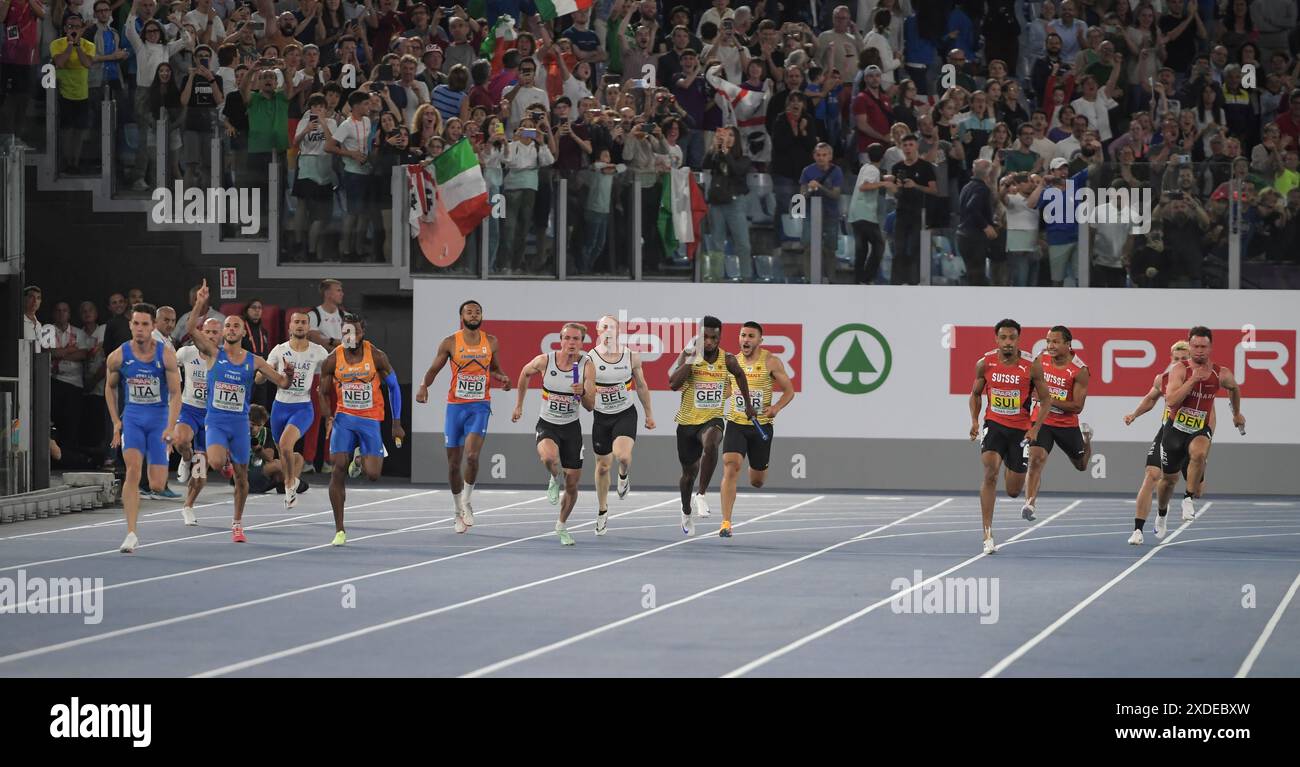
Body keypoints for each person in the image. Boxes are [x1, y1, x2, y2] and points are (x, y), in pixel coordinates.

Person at [185, 279, 291, 543]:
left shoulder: (254, 360)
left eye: (235, 326)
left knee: (242, 478)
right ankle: (224, 460)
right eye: (227, 325)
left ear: (243, 333)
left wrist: (288, 374)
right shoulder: (212, 353)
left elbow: (281, 382)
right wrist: (200, 303)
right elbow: (189, 328)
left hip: (239, 423)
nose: (230, 329)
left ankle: (237, 523)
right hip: (217, 421)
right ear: (222, 332)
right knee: (217, 462)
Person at [415, 300, 511, 533]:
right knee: (453, 464)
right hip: (455, 407)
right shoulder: (450, 342)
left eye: (478, 311)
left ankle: (467, 501)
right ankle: (457, 509)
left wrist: (503, 378)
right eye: (469, 312)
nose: (474, 314)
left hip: (479, 406)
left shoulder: (491, 341)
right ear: (462, 317)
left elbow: (495, 368)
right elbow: (433, 370)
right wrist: (423, 386)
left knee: (472, 456)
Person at [318, 313, 404, 546]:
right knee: (337, 467)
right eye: (345, 332)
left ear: (362, 334)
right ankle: (339, 530)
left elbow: (394, 388)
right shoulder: (332, 359)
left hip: (370, 419)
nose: (349, 336)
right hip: (344, 418)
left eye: (354, 331)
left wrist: (396, 423)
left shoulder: (376, 356)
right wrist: (328, 417)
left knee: (373, 474)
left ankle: (359, 460)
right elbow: (321, 390)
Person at [968, 318, 1053, 554]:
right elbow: (975, 394)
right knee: (990, 472)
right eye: (1003, 337)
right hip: (994, 424)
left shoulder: (1032, 365)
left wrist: (1035, 428)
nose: (1007, 342)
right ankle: (987, 533)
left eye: (1012, 338)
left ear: (1018, 339)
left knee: (1014, 489)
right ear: (996, 339)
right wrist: (975, 421)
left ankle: (1010, 462)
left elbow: (1046, 399)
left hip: (1020, 430)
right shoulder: (985, 363)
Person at [668, 316, 758, 535]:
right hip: (687, 422)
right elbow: (673, 384)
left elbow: (740, 376)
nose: (709, 342)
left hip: (713, 418)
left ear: (720, 337)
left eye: (713, 337)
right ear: (700, 336)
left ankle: (701, 494)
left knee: (711, 443)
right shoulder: (689, 354)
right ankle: (686, 509)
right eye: (705, 337)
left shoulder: (727, 359)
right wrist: (690, 360)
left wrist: (748, 404)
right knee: (688, 474)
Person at [105, 303, 182, 553]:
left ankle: (163, 470)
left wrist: (171, 427)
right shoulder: (118, 356)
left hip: (158, 419)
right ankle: (131, 533)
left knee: (158, 484)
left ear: (153, 327)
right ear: (130, 325)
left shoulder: (165, 354)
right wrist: (117, 421)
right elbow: (110, 387)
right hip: (134, 419)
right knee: (132, 471)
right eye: (136, 324)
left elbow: (175, 393)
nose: (139, 329)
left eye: (145, 324)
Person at [512, 323, 592, 546]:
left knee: (573, 485)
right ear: (561, 340)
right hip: (547, 424)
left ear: (582, 343)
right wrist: (519, 405)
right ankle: (554, 477)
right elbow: (524, 373)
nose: (572, 343)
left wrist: (582, 392)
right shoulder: (545, 361)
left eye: (577, 339)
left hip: (571, 429)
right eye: (568, 338)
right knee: (549, 458)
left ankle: (562, 525)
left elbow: (590, 406)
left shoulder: (587, 366)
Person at [1157, 326, 1245, 528]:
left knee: (1199, 454)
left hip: (1199, 428)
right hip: (1175, 428)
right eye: (1195, 346)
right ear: (1190, 346)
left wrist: (1236, 413)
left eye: (1203, 346)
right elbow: (1171, 401)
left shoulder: (1220, 373)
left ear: (1210, 347)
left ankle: (1187, 499)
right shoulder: (1180, 370)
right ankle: (1162, 513)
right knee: (1168, 481)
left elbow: (1234, 388)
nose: (1199, 350)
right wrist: (1192, 381)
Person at [580, 315, 656, 536]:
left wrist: (649, 414)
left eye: (612, 327)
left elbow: (641, 386)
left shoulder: (631, 356)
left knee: (622, 456)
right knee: (603, 466)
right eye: (604, 326)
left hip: (625, 413)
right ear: (597, 330)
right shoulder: (589, 359)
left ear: (618, 330)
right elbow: (584, 392)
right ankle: (603, 510)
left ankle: (623, 475)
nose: (608, 330)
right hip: (601, 417)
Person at [718, 321, 793, 538]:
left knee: (757, 480)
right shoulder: (731, 362)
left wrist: (776, 408)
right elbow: (728, 389)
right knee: (731, 465)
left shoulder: (771, 362)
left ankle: (757, 469)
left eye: (751, 336)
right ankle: (726, 523)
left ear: (760, 340)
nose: (746, 340)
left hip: (761, 426)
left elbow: (789, 391)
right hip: (736, 423)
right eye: (743, 335)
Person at [1124, 340, 1200, 542]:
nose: (1181, 362)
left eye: (1185, 359)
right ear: (1171, 359)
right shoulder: (1163, 379)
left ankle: (1178, 501)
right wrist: (1134, 414)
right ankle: (1138, 530)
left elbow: (1211, 415)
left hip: (1192, 436)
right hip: (1168, 434)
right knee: (1152, 475)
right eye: (1177, 359)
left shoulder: (1201, 382)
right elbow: (1150, 399)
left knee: (1198, 490)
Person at [1022, 326, 1092, 520]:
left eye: (1055, 342)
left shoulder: (1080, 370)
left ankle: (1087, 438)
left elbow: (1077, 406)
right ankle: (1029, 504)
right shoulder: (1040, 360)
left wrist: (1049, 400)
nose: (1050, 346)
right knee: (1036, 460)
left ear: (1068, 344)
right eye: (1048, 341)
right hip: (1041, 421)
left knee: (1081, 464)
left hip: (1066, 425)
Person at [263, 311, 329, 508]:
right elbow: (262, 374)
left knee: (285, 445)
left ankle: (290, 485)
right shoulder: (279, 350)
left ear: (308, 327)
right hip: (279, 407)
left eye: (304, 322)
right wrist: (260, 373)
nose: (300, 325)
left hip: (302, 407)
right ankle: (294, 479)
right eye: (296, 322)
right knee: (283, 453)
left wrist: (325, 387)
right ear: (290, 327)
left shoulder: (318, 351)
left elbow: (332, 372)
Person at [173, 316, 222, 525]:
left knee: (200, 470)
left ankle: (188, 507)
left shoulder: (225, 358)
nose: (210, 336)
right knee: (181, 440)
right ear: (200, 332)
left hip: (212, 415)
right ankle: (185, 458)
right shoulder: (186, 353)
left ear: (221, 335)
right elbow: (168, 369)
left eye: (215, 332)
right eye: (207, 332)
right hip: (189, 409)